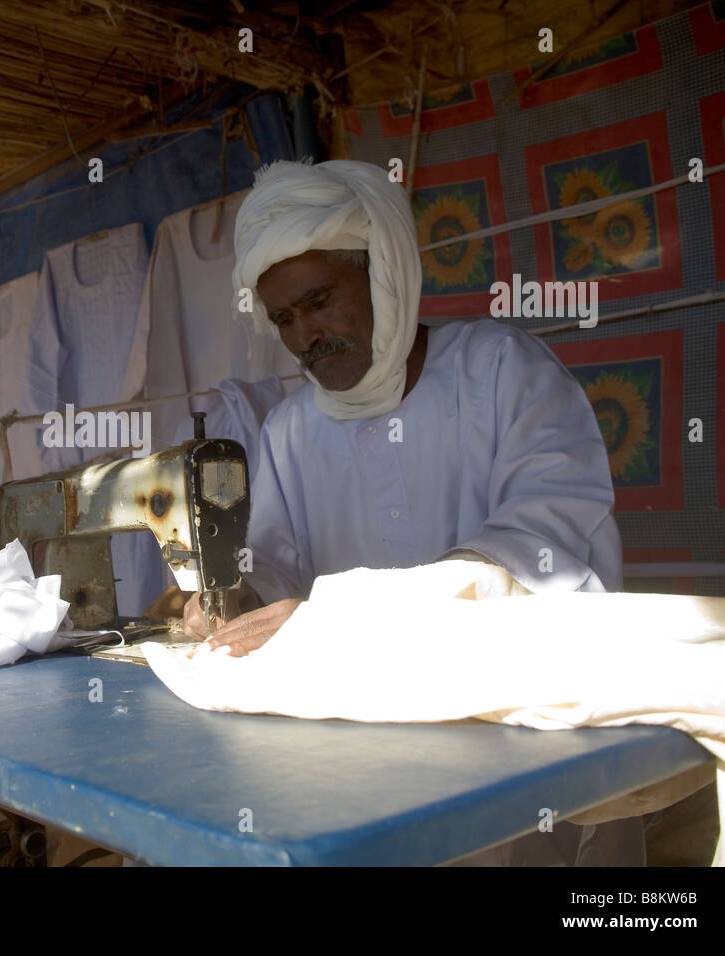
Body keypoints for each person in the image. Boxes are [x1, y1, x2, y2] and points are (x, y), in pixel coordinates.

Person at [181, 158, 641, 866]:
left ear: (383, 272)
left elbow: (544, 544)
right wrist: (235, 597)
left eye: (320, 299)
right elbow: (272, 568)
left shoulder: (501, 372)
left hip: (526, 730)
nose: (305, 335)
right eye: (285, 319)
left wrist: (359, 613)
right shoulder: (289, 431)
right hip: (376, 747)